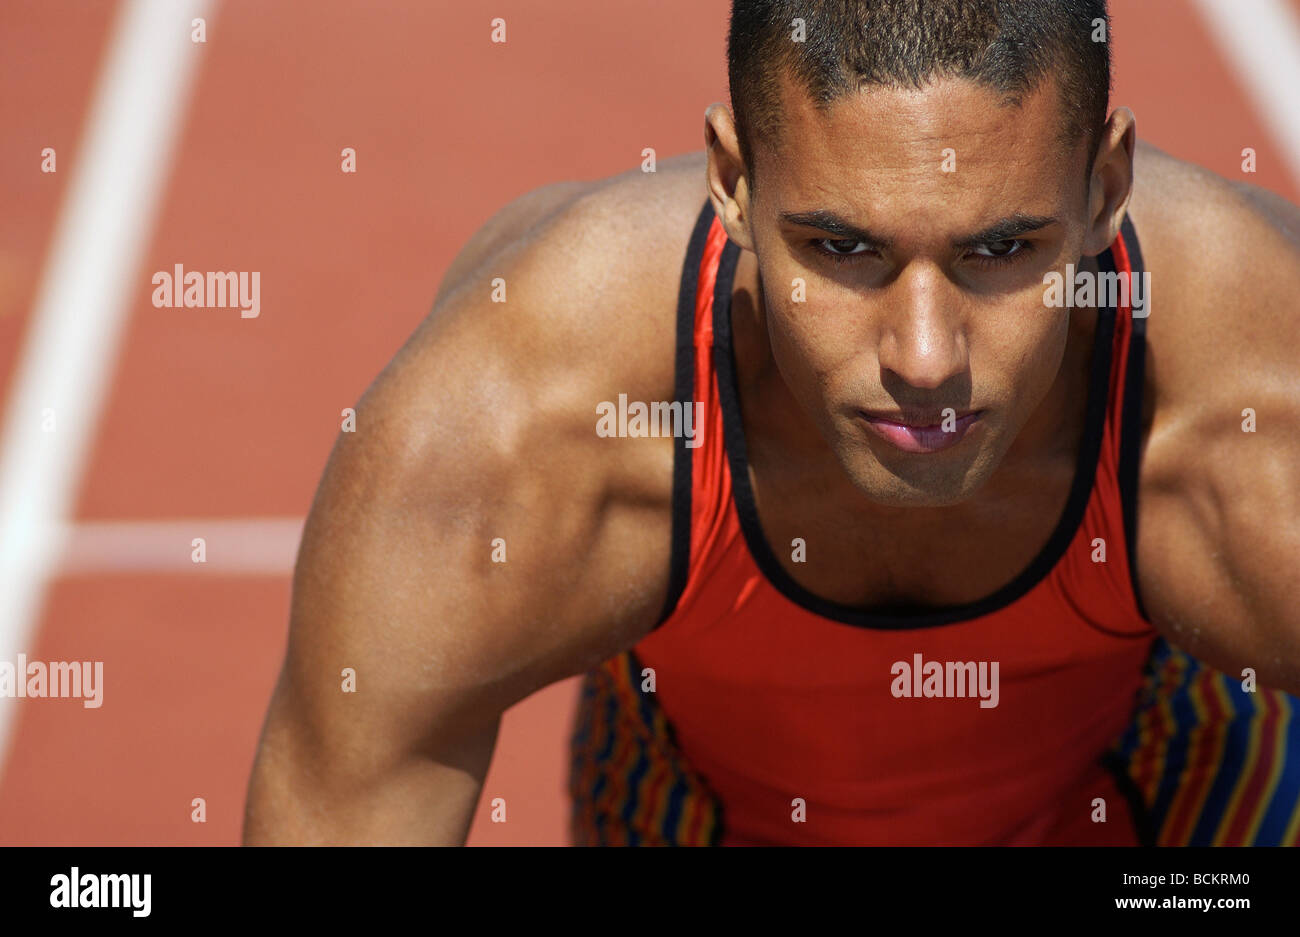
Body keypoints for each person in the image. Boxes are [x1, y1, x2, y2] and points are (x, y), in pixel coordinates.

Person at [243, 0, 1300, 846]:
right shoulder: (519, 424)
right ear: (732, 183)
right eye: (843, 252)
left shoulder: (1251, 402)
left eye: (998, 252)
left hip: (1155, 779)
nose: (924, 359)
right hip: (706, 805)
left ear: (1106, 187)